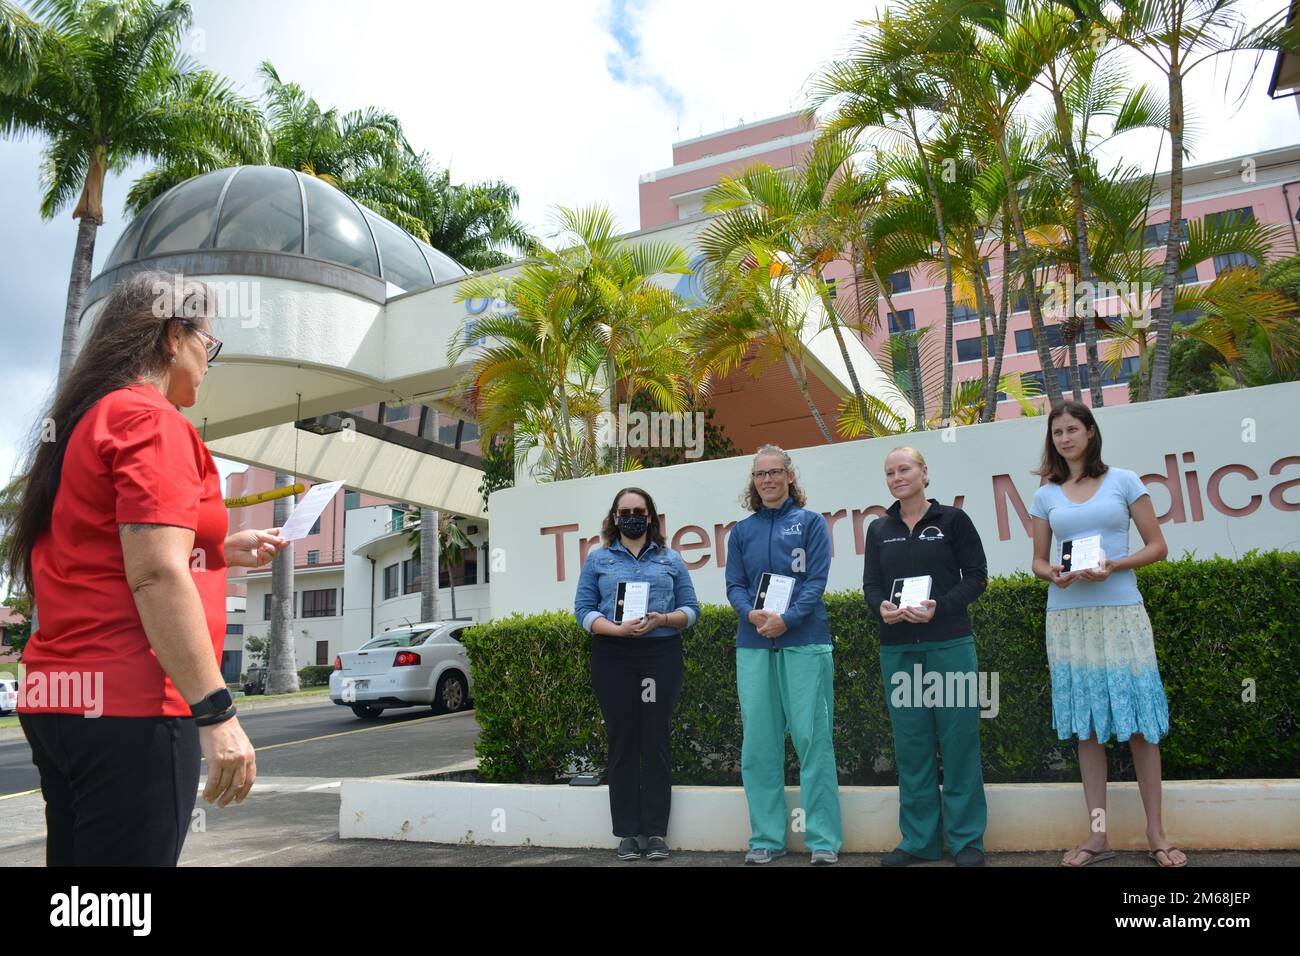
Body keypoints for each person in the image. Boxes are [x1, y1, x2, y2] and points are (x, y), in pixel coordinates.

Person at [7, 271, 284, 866]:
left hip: (61, 699)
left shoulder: (89, 420)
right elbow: (154, 574)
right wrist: (216, 712)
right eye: (207, 344)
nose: (209, 362)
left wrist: (218, 548)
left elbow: (102, 549)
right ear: (171, 335)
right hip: (134, 703)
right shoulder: (151, 420)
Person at [1028, 400, 1184, 868]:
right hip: (1068, 619)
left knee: (1140, 725)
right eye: (1057, 432)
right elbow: (1037, 561)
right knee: (1088, 727)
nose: (1065, 439)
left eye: (1073, 429)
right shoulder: (1045, 494)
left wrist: (1115, 564)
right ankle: (1097, 837)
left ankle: (1156, 835)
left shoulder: (1125, 481)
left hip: (1120, 614)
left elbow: (1158, 546)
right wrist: (1053, 573)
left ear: (1091, 433)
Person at [862, 446, 990, 867]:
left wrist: (942, 605)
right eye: (890, 472)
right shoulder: (880, 529)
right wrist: (880, 607)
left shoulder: (953, 520)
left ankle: (967, 840)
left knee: (958, 743)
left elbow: (976, 578)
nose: (897, 477)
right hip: (897, 648)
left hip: (950, 644)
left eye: (904, 469)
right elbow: (872, 587)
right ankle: (919, 840)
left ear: (924, 472)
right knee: (912, 745)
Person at [725, 444, 841, 865]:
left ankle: (823, 839)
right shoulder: (741, 532)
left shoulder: (810, 523)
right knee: (759, 744)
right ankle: (767, 838)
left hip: (804, 641)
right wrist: (751, 613)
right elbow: (735, 585)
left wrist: (787, 619)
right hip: (754, 643)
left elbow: (816, 580)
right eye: (760, 475)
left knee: (813, 741)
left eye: (775, 472)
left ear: (790, 476)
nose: (768, 480)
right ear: (753, 482)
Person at [574, 486, 700, 861]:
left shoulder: (671, 559)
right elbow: (582, 611)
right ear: (615, 518)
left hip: (660, 655)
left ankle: (657, 833)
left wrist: (664, 619)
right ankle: (628, 833)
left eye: (639, 510)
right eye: (625, 510)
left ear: (651, 517)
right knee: (623, 739)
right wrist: (616, 629)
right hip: (613, 656)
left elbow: (692, 610)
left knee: (655, 738)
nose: (632, 516)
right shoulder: (597, 560)